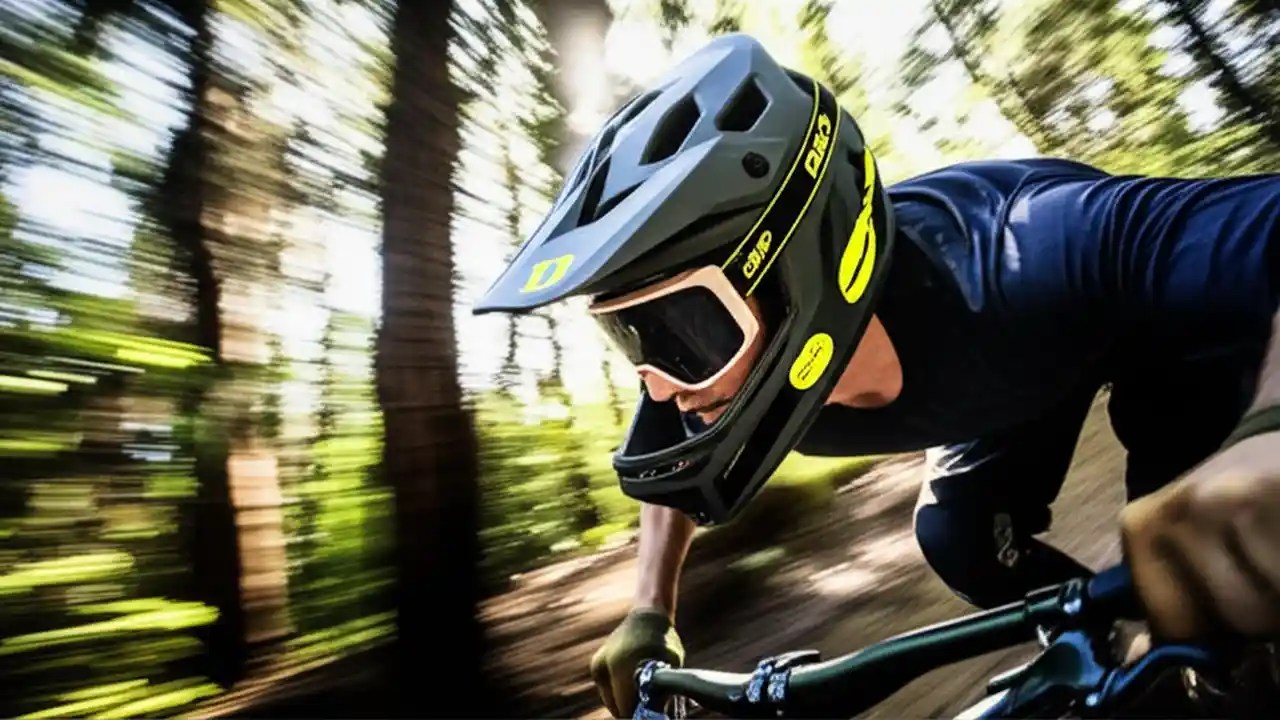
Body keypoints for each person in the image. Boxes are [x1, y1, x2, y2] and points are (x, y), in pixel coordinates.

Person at [471, 33, 1280, 717]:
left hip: (1131, 331)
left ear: (800, 274)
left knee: (1213, 570)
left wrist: (1268, 433)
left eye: (680, 330)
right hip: (1009, 381)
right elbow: (665, 465)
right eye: (628, 338)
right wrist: (650, 611)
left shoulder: (1040, 247)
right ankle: (1120, 660)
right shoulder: (720, 378)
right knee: (958, 538)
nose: (656, 382)